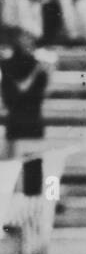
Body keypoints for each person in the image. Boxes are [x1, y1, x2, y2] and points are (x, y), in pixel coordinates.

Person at [1, 28, 49, 158]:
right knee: (12, 165)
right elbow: (20, 90)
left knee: (32, 165)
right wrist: (36, 71)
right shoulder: (8, 66)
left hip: (32, 122)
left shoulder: (39, 66)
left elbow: (43, 92)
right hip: (16, 123)